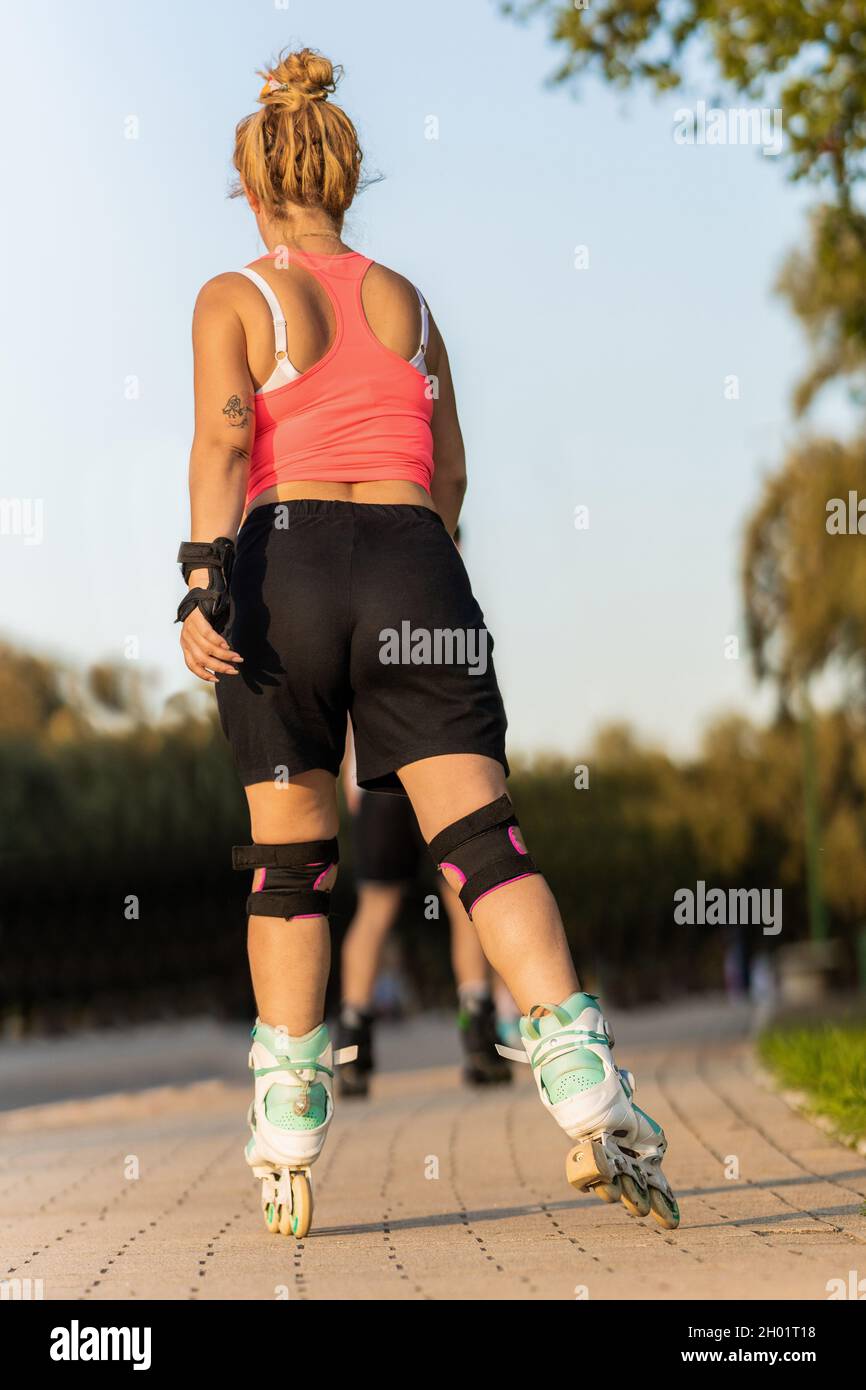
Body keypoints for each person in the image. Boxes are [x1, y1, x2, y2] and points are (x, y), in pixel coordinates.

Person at [177, 47, 679, 1238]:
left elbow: (222, 441)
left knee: (290, 868)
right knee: (481, 843)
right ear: (347, 181)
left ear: (251, 188)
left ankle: (290, 1138)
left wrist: (202, 587)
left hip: (280, 571)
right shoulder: (408, 302)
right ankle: (585, 1088)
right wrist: (415, 572)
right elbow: (450, 471)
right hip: (414, 559)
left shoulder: (234, 295)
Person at [337, 721, 515, 1095]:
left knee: (374, 912)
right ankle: (480, 1041)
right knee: (464, 905)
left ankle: (353, 1051)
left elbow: (345, 708)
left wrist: (350, 775)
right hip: (443, 770)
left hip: (377, 779)